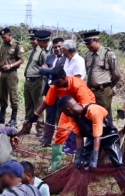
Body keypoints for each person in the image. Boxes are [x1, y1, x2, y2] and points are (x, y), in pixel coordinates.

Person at [32, 39, 96, 172]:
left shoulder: (78, 85)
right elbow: (47, 101)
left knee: (87, 132)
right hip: (69, 109)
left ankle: (85, 159)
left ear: (63, 78)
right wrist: (36, 115)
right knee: (61, 132)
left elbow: (84, 106)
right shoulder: (57, 85)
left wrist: (77, 120)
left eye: (56, 82)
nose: (54, 84)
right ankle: (55, 164)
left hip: (86, 108)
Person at [81, 30, 123, 117]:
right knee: (91, 114)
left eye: (89, 43)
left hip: (103, 91)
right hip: (90, 90)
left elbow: (117, 74)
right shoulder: (88, 55)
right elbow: (87, 72)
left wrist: (110, 86)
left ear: (96, 41)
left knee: (105, 116)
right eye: (86, 44)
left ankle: (107, 131)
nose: (87, 46)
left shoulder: (108, 54)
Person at [20, 30, 51, 135]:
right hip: (28, 80)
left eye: (34, 39)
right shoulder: (33, 51)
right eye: (31, 39)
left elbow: (45, 67)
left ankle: (40, 128)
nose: (32, 41)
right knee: (28, 105)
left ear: (39, 40)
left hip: (37, 81)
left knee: (38, 104)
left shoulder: (42, 52)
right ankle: (26, 127)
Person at [37, 37, 66, 147]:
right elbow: (41, 70)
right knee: (50, 116)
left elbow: (62, 73)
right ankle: (47, 140)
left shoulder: (66, 59)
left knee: (61, 117)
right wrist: (53, 70)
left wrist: (49, 70)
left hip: (61, 91)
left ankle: (60, 142)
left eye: (59, 47)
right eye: (55, 47)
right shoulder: (50, 57)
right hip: (50, 89)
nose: (57, 49)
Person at [0, 27, 24, 127]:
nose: (3, 39)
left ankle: (13, 119)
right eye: (2, 37)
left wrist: (10, 65)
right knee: (2, 95)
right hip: (3, 73)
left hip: (12, 73)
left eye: (4, 37)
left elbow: (21, 60)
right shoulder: (3, 46)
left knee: (13, 95)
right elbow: (0, 61)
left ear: (10, 35)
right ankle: (2, 117)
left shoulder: (17, 45)